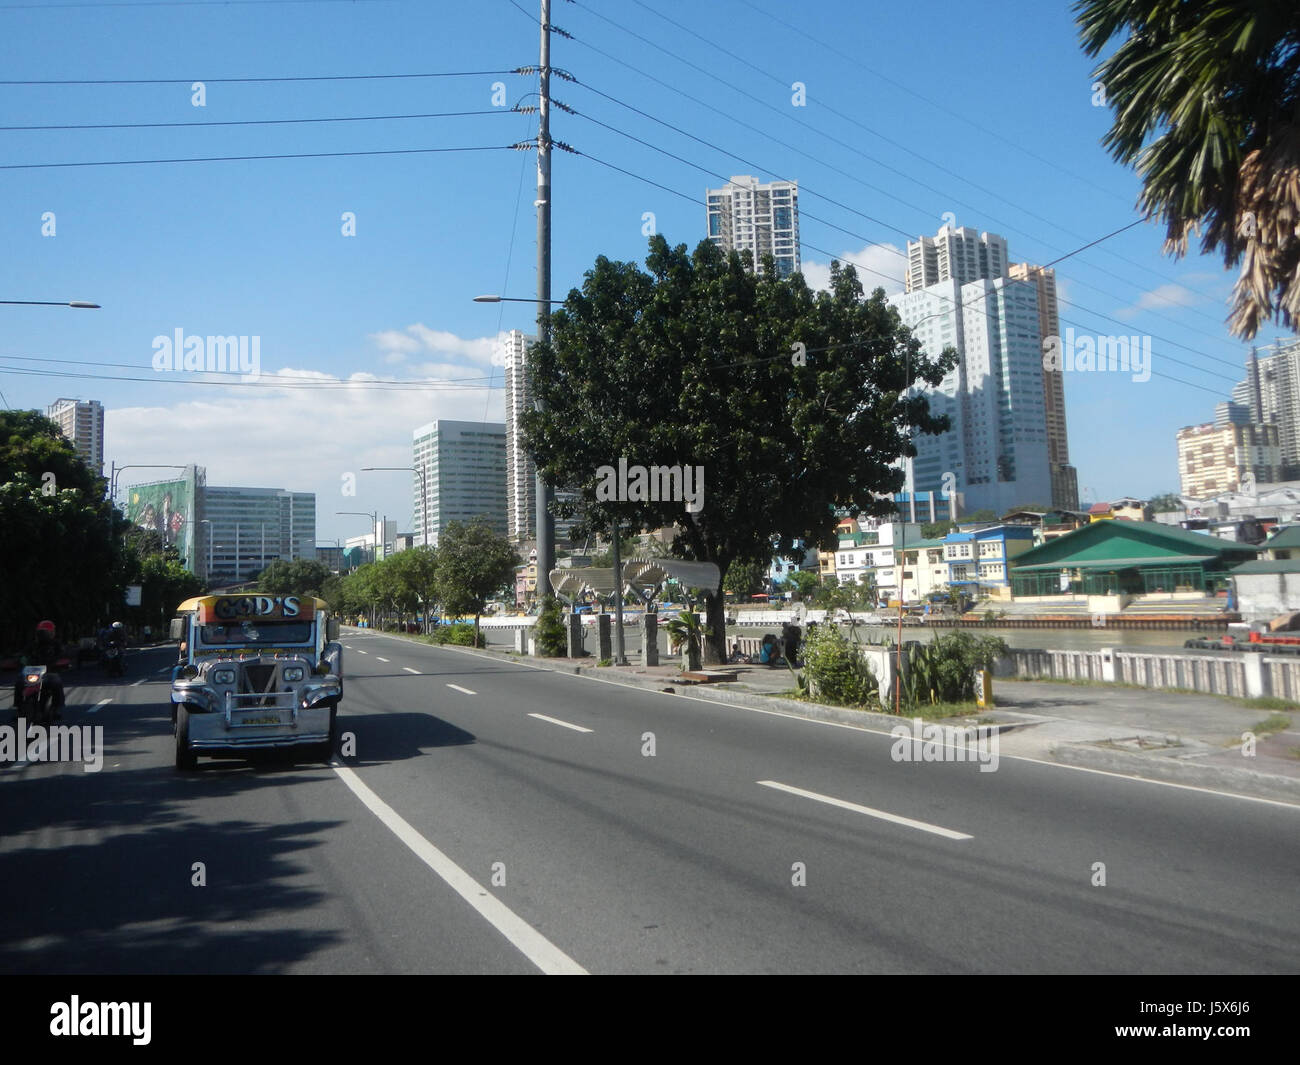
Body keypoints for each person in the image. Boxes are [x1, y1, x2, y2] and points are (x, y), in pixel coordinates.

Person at [14, 620, 66, 718]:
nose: (43, 635)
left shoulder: (56, 645)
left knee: (57, 682)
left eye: (45, 632)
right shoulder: (32, 645)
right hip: (30, 673)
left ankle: (55, 708)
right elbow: (23, 656)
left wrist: (58, 663)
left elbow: (61, 656)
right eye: (41, 632)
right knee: (19, 682)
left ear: (51, 633)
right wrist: (19, 661)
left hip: (48, 673)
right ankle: (19, 708)